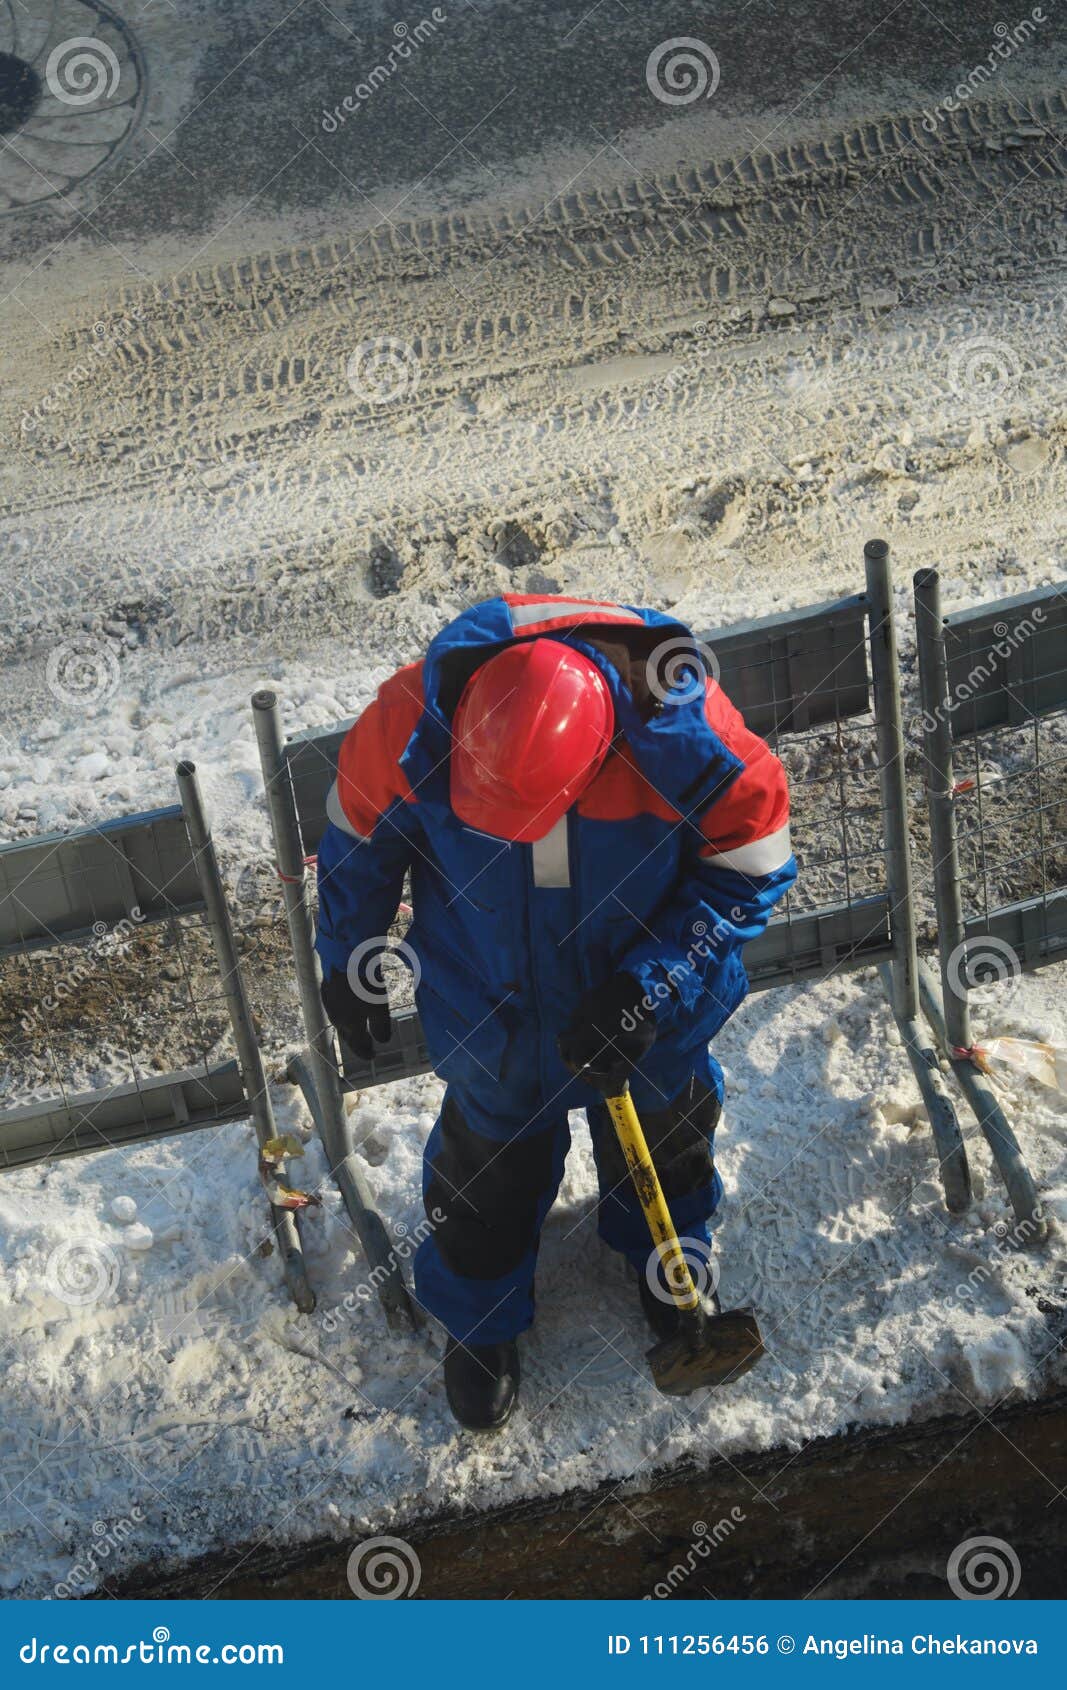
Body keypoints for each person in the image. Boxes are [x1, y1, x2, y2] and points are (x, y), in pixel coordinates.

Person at [316, 594, 795, 1430]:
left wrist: (650, 988)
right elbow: (357, 842)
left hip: (647, 1008)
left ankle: (666, 1267)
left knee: (668, 1135)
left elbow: (748, 875)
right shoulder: (405, 723)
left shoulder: (694, 738)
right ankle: (478, 1318)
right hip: (490, 997)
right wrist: (348, 956)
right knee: (485, 1170)